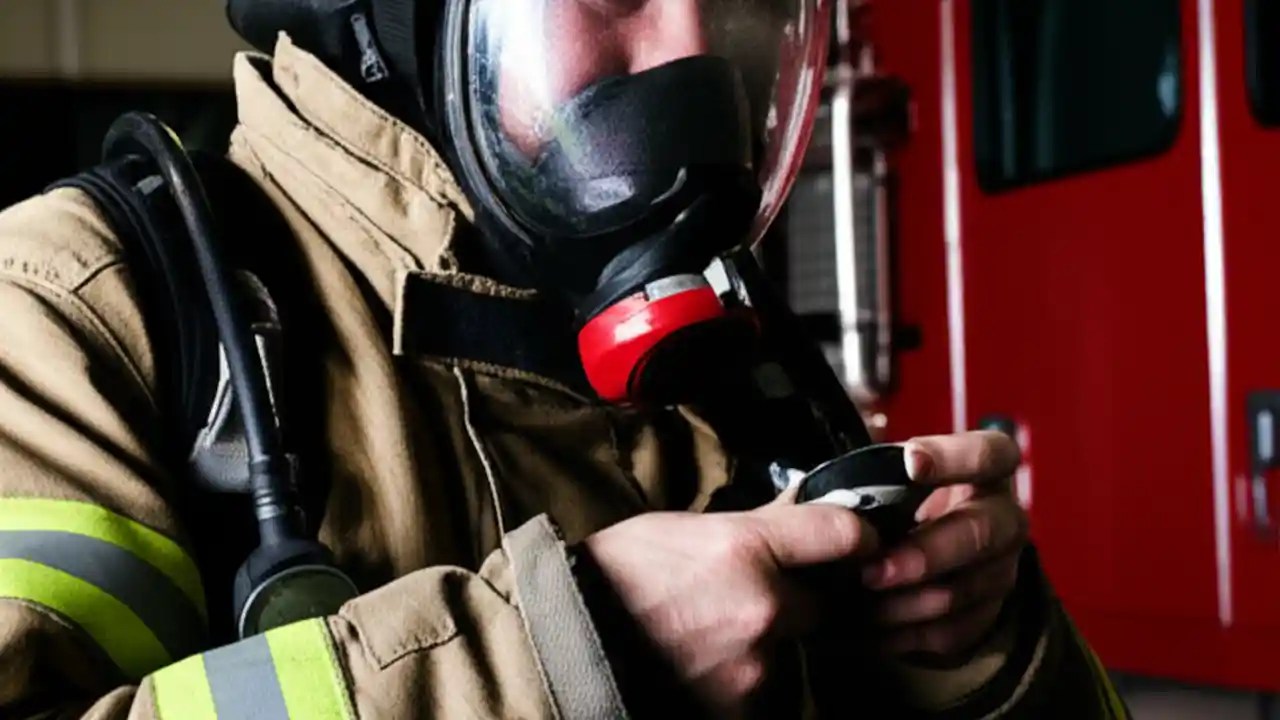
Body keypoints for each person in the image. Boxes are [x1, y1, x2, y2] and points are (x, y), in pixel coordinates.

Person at [0, 0, 1128, 717]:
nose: (694, 57)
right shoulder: (76, 317)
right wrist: (557, 660)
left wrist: (981, 662)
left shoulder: (733, 365)